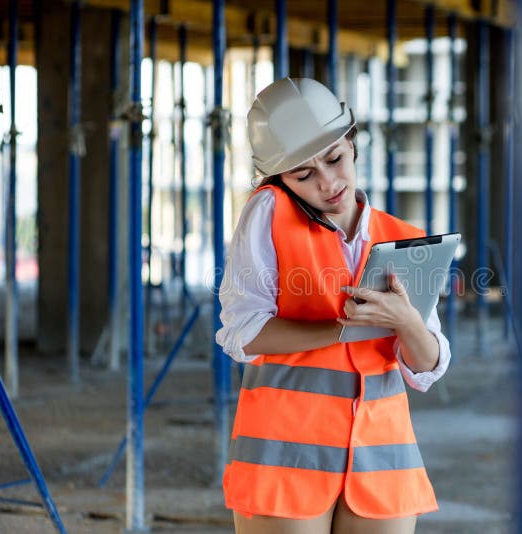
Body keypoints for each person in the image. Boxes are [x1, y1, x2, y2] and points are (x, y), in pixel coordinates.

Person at [216, 77, 451, 534]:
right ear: (279, 177)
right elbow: (242, 332)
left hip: (382, 456)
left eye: (335, 158)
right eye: (303, 174)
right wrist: (342, 330)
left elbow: (427, 366)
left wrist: (404, 321)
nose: (327, 182)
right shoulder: (267, 213)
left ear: (352, 144)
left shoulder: (403, 238)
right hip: (286, 451)